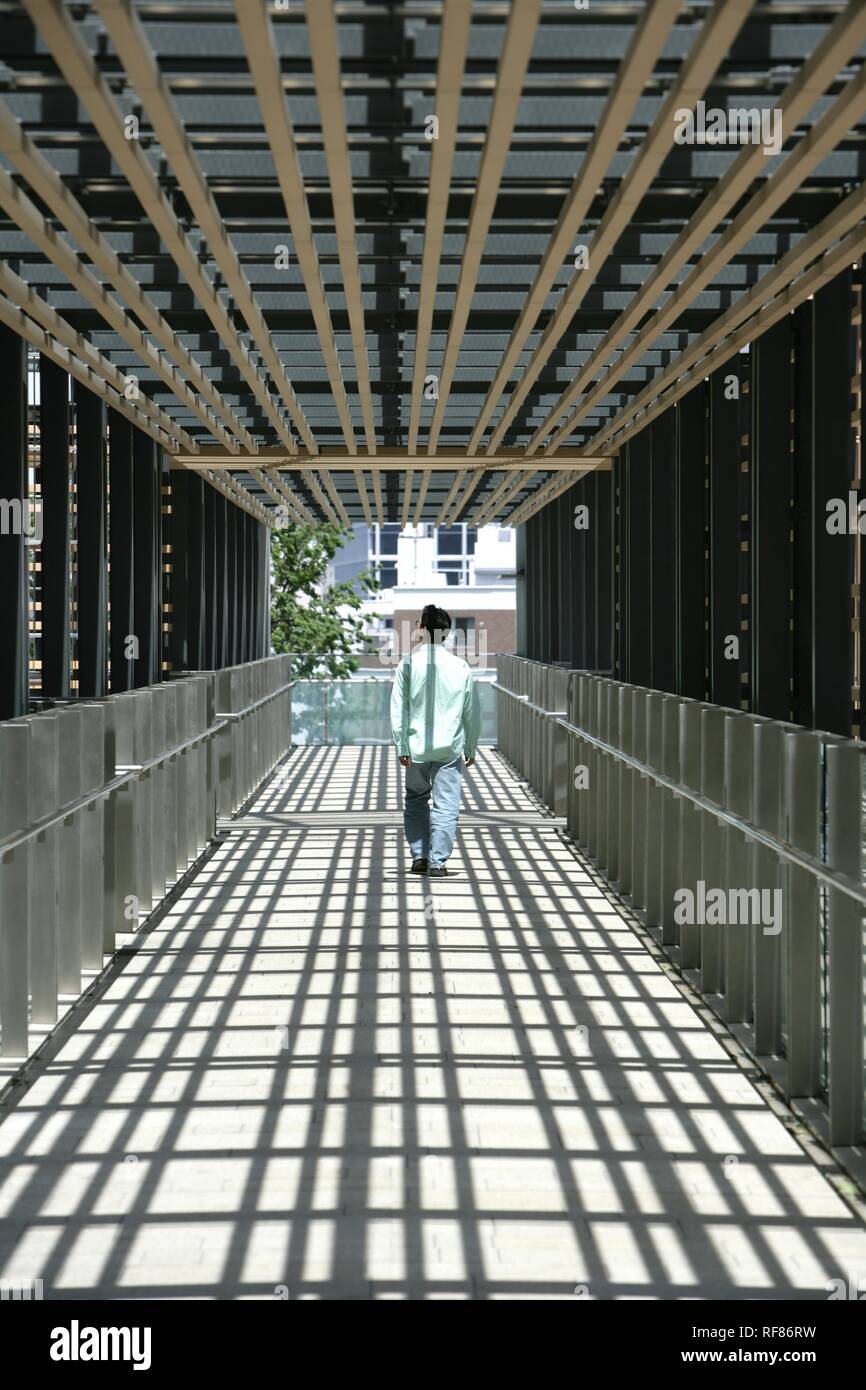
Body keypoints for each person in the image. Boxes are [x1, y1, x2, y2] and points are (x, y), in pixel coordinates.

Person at [389, 604, 481, 877]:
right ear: (446, 633)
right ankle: (438, 862)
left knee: (416, 800)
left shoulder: (408, 664)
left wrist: (401, 744)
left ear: (421, 629)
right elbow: (471, 711)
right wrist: (471, 745)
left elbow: (399, 708)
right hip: (449, 749)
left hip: (416, 748)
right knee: (446, 804)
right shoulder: (461, 666)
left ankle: (419, 857)